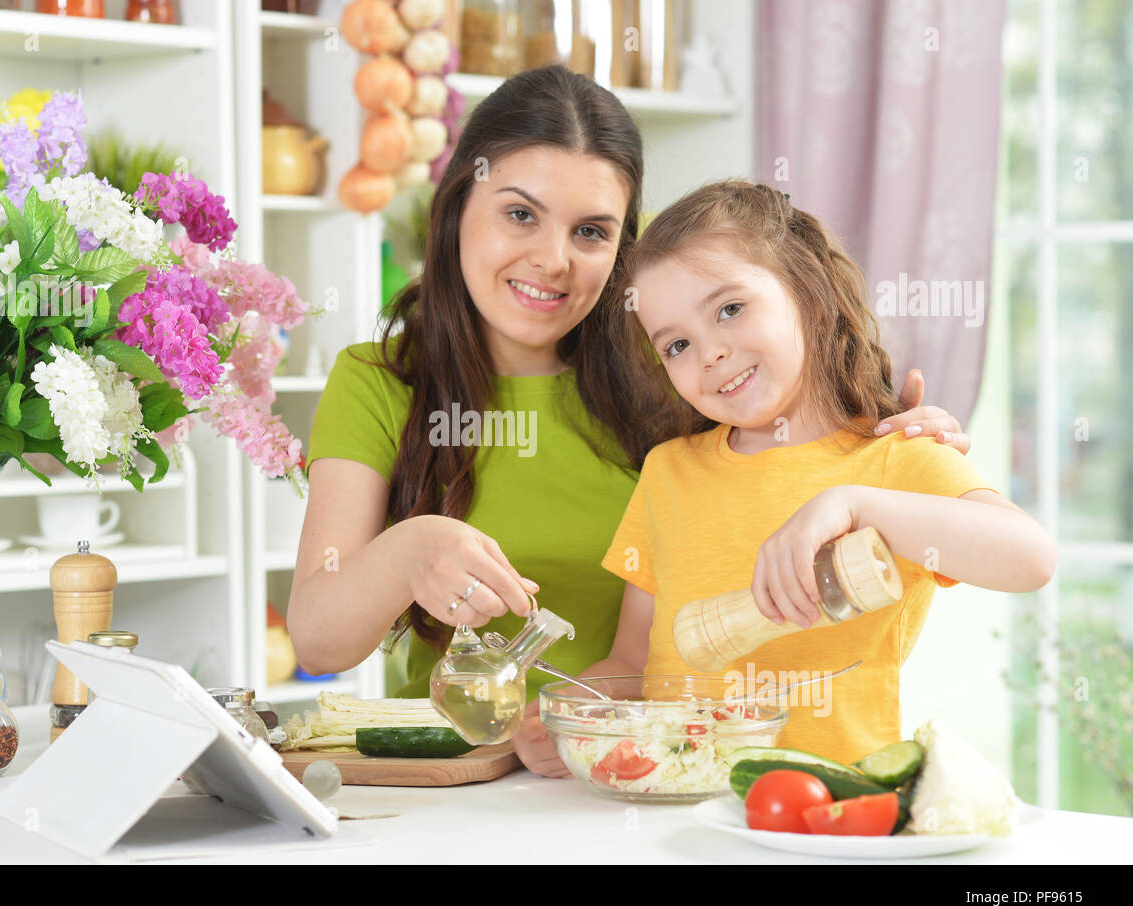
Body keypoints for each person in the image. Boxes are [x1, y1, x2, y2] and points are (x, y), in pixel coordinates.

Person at [287, 67, 970, 772]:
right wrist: (410, 549)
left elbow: (794, 485)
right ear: (459, 206)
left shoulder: (677, 377)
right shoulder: (380, 382)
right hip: (460, 783)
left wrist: (889, 448)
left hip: (649, 776)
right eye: (520, 214)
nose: (553, 261)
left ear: (620, 251)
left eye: (590, 231)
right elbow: (317, 639)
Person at [525, 179, 1054, 770]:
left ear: (809, 294)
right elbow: (635, 660)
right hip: (675, 806)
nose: (709, 354)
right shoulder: (669, 471)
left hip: (826, 817)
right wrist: (569, 713)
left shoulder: (892, 458)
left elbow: (1030, 558)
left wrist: (855, 505)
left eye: (730, 309)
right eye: (675, 345)